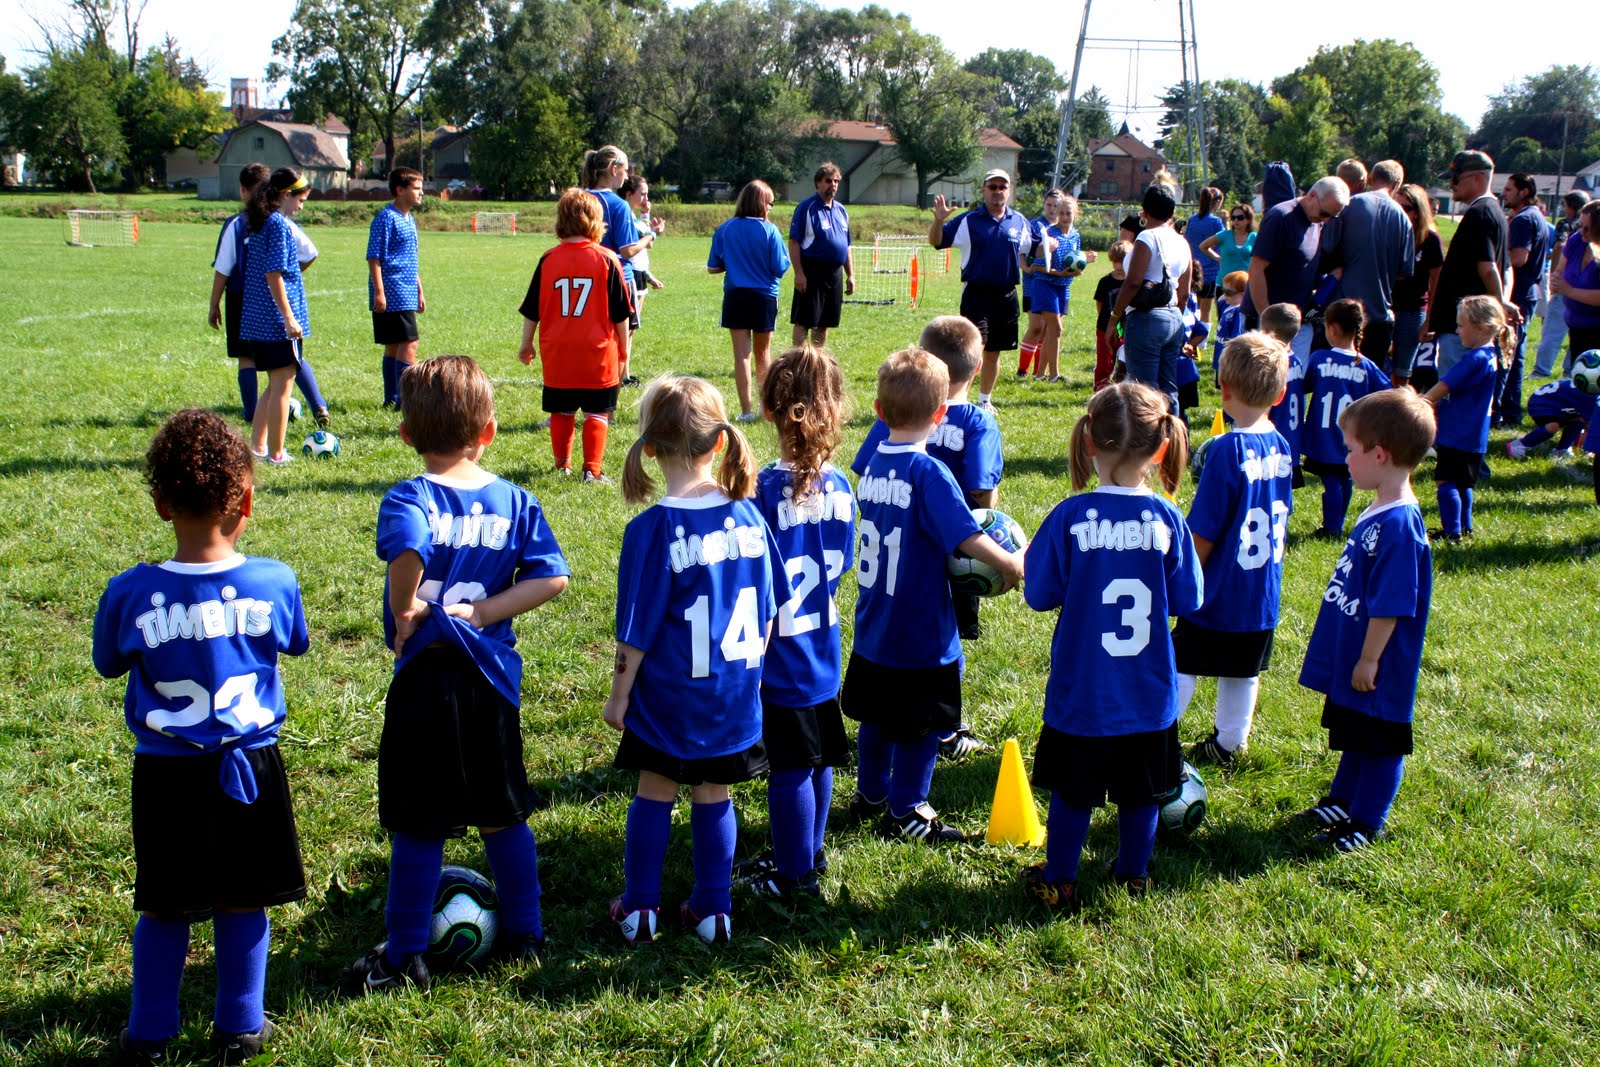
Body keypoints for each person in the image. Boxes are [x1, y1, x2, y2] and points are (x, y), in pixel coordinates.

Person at [349, 356, 570, 992]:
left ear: (406, 435)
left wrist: (404, 612)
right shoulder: (515, 500)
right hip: (492, 682)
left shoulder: (409, 495)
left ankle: (404, 958)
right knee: (504, 814)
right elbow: (552, 576)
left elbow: (410, 547)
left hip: (427, 682)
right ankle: (528, 934)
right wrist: (484, 611)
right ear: (490, 431)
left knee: (419, 823)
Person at [93, 409, 308, 1064]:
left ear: (161, 504)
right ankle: (241, 1025)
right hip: (249, 765)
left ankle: (149, 1032)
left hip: (165, 772)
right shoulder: (273, 580)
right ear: (245, 500)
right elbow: (294, 641)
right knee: (244, 898)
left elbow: (107, 661)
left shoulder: (129, 591)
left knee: (163, 906)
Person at [606, 375, 778, 946]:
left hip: (670, 697)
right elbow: (770, 610)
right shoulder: (751, 517)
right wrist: (750, 677)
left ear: (649, 449)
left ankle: (640, 909)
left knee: (654, 790)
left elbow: (635, 633)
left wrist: (619, 696)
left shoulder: (653, 529)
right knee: (714, 795)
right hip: (732, 693)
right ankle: (713, 911)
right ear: (720, 443)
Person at [1021, 382, 1202, 910]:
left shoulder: (1070, 518)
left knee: (1073, 792)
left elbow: (1038, 595)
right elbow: (1188, 598)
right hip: (1148, 693)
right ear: (1161, 448)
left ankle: (1060, 878)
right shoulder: (1169, 519)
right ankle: (1133, 873)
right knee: (1141, 791)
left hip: (1083, 693)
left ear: (1090, 443)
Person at [842, 348, 1024, 843]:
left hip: (875, 625)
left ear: (879, 414)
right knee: (923, 727)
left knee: (877, 718)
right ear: (941, 414)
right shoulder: (929, 474)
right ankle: (908, 810)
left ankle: (871, 795)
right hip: (922, 632)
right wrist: (1010, 562)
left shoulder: (875, 465)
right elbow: (966, 536)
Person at [850, 316, 1002, 752]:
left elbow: (863, 472)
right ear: (976, 370)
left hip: (889, 565)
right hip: (953, 553)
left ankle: (880, 778)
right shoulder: (977, 421)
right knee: (942, 644)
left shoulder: (893, 412)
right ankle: (945, 730)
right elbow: (981, 492)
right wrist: (999, 546)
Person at [1296, 389, 1435, 852]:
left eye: (1351, 448)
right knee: (1357, 729)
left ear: (1379, 454)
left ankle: (1367, 820)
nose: (1346, 457)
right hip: (1359, 651)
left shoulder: (1400, 527)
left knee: (1381, 739)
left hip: (1381, 661)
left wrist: (1370, 660)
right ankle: (1343, 798)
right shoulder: (1380, 506)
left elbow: (1392, 604)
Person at [742, 345, 856, 899]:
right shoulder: (842, 488)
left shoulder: (760, 490)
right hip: (822, 642)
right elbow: (844, 558)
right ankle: (810, 851)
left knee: (790, 765)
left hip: (777, 650)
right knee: (819, 755)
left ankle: (793, 876)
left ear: (770, 409)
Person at [1177, 334, 1294, 766]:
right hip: (1261, 590)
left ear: (1223, 389)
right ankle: (1230, 743)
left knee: (1183, 660)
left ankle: (1155, 732)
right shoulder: (1282, 445)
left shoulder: (1226, 449)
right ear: (1280, 394)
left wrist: (1184, 579)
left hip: (1218, 589)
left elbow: (1205, 530)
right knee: (1243, 669)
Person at [517, 188, 632, 483]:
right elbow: (621, 314)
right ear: (595, 221)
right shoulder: (607, 259)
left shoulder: (548, 259)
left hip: (558, 351)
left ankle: (561, 466)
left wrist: (526, 343)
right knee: (598, 410)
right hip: (597, 351)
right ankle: (592, 470)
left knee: (562, 409)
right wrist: (624, 349)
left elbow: (533, 309)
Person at [209, 162, 330, 428]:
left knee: (252, 360)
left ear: (244, 190)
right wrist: (290, 279)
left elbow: (223, 267)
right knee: (287, 365)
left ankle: (252, 412)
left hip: (244, 299)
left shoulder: (244, 222)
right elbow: (308, 254)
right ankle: (316, 404)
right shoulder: (278, 223)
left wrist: (214, 303)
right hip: (274, 306)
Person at [928, 167, 1044, 410]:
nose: (998, 191)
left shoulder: (1020, 221)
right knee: (973, 351)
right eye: (993, 187)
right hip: (977, 294)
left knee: (993, 353)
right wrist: (938, 220)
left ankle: (984, 401)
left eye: (1003, 187)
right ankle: (958, 402)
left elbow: (1035, 249)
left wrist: (1048, 245)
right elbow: (937, 241)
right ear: (983, 190)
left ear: (1009, 191)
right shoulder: (969, 220)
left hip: (1006, 296)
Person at [239, 167, 313, 465]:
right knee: (284, 384)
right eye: (300, 200)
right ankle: (276, 452)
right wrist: (288, 317)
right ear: (285, 195)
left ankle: (256, 446)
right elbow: (274, 274)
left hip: (259, 318)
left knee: (274, 383)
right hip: (276, 322)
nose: (301, 206)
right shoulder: (279, 226)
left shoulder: (261, 223)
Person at [1424, 296, 1513, 543]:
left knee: (1446, 480)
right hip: (1475, 435)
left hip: (1457, 433)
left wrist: (1422, 401)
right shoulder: (1490, 356)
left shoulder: (1474, 359)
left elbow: (1445, 385)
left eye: (1461, 325)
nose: (1457, 330)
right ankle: (1466, 527)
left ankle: (1452, 533)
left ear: (1481, 328)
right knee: (1465, 483)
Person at [1303, 300, 1392, 538]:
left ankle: (1332, 528)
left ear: (1331, 329)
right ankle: (1338, 522)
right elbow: (1388, 393)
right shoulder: (1367, 366)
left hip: (1323, 434)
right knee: (1345, 476)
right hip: (1354, 436)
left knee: (1331, 480)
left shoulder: (1320, 359)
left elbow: (1304, 385)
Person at [1318, 159, 1413, 373]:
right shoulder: (1404, 219)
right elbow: (1404, 272)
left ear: (1370, 179)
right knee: (1368, 388)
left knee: (1335, 381)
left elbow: (1327, 250)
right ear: (1397, 184)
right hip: (1380, 315)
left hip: (1343, 312)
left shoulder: (1349, 206)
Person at [708, 180, 791, 421]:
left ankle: (746, 411)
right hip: (764, 297)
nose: (772, 208)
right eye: (771, 203)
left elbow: (713, 267)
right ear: (762, 204)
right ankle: (767, 409)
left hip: (735, 296)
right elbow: (779, 268)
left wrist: (734, 263)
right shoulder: (770, 231)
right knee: (763, 355)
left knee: (741, 356)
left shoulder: (726, 228)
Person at [1431, 151, 1517, 378]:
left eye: (1456, 178)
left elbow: (1489, 268)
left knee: (1453, 394)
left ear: (1477, 178)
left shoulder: (1479, 214)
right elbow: (1506, 269)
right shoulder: (1496, 211)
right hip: (1476, 326)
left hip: (1464, 328)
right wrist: (1503, 303)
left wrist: (1499, 307)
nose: (1451, 184)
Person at [1108, 184, 1192, 412]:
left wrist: (1114, 318)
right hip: (1174, 316)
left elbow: (1133, 282)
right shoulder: (1183, 243)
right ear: (1172, 213)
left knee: (1144, 392)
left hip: (1146, 318)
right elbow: (1184, 292)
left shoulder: (1147, 237)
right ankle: (1174, 442)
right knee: (1169, 390)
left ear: (1144, 212)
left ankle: (1147, 443)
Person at [1248, 177, 1350, 358]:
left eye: (1331, 217)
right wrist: (1266, 318)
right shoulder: (1281, 217)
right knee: (1266, 380)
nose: (1326, 221)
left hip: (1300, 321)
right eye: (1324, 213)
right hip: (1271, 321)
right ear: (1311, 196)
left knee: (1295, 381)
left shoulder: (1317, 221)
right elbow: (1257, 268)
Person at [368, 167, 426, 411]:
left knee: (393, 344)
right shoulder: (386, 218)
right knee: (410, 342)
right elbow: (374, 257)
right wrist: (380, 292)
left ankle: (391, 397)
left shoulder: (409, 218)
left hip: (407, 289)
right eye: (416, 188)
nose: (421, 192)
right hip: (393, 290)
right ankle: (404, 399)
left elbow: (409, 258)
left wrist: (419, 289)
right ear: (400, 190)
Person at [1019, 191, 1093, 382]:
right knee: (1056, 328)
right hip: (1045, 285)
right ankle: (1054, 374)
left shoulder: (1075, 235)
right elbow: (1037, 265)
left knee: (1050, 331)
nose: (1064, 217)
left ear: (1075, 214)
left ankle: (1040, 374)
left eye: (1068, 213)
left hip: (1063, 286)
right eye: (1061, 213)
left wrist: (1083, 262)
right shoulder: (1049, 234)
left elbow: (1072, 261)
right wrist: (1046, 252)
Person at [1500, 173, 1552, 427]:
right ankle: (1509, 410)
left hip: (1519, 292)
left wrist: (1497, 252)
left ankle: (1507, 411)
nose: (1505, 193)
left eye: (1509, 189)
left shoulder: (1523, 219)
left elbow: (1519, 258)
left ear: (1523, 191)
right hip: (1527, 291)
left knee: (1510, 352)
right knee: (1514, 352)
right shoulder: (1534, 216)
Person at [788, 162, 855, 349]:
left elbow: (847, 246)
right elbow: (794, 242)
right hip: (812, 272)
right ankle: (798, 359)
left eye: (836, 181)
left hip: (834, 274)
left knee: (825, 321)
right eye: (828, 181)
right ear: (818, 183)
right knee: (804, 320)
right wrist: (799, 273)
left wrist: (851, 275)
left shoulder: (841, 211)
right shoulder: (806, 208)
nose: (832, 185)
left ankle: (818, 361)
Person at [1390, 184, 1444, 389]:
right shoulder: (1390, 233)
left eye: (1407, 208)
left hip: (1413, 309)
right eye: (1397, 207)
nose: (1401, 213)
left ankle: (1400, 413)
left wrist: (1430, 320)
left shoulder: (1430, 239)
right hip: (1386, 307)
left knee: (1402, 370)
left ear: (1419, 210)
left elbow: (1437, 281)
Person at [1533, 190, 1591, 379]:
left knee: (1553, 331)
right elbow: (1564, 250)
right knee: (1571, 334)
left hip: (1569, 291)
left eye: (1565, 205)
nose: (1581, 230)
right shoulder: (1583, 232)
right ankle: (1568, 372)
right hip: (1579, 299)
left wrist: (1561, 281)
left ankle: (1543, 371)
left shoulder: (1566, 225)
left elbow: (1559, 245)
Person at [619, 174, 665, 385]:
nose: (647, 197)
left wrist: (647, 216)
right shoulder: (625, 216)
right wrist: (653, 232)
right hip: (631, 276)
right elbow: (646, 240)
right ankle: (623, 375)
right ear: (629, 194)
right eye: (643, 193)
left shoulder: (632, 217)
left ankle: (624, 373)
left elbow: (646, 241)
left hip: (638, 274)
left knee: (630, 330)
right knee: (627, 330)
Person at [1261, 303, 1306, 488]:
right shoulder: (1296, 361)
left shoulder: (1273, 365)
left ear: (1267, 331)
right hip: (1293, 437)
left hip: (1273, 438)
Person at [1549, 200, 1600, 360]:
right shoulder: (1577, 240)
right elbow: (1559, 271)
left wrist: (1569, 290)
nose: (1582, 231)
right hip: (1576, 324)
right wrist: (1556, 280)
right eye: (1580, 225)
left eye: (1588, 228)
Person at [1507, 378, 1598, 459]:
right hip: (1542, 403)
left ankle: (1562, 449)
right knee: (1553, 426)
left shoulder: (1591, 388)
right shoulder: (1592, 395)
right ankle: (1519, 445)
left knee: (1579, 421)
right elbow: (1591, 425)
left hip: (1562, 405)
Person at [1201, 203, 1257, 318]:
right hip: (1225, 285)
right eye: (1233, 218)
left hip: (1245, 287)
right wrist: (1217, 258)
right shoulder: (1225, 235)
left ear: (1248, 219)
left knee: (1245, 321)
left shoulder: (1254, 237)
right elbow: (1203, 246)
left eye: (1240, 218)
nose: (1236, 221)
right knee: (1224, 319)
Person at [1185, 186, 1227, 322]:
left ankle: (1192, 333)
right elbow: (1225, 239)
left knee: (1194, 306)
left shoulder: (1193, 220)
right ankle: (1202, 340)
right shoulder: (1216, 222)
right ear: (1217, 202)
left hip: (1195, 269)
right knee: (1206, 309)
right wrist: (1226, 222)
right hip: (1210, 270)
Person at [1093, 240, 1131, 391]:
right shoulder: (1105, 282)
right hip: (1104, 328)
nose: (1119, 266)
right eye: (1116, 262)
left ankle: (1121, 391)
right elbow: (1100, 304)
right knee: (1105, 363)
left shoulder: (1132, 282)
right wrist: (1108, 323)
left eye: (1122, 262)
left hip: (1126, 329)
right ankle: (1100, 391)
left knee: (1124, 362)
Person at [1211, 270, 1249, 369]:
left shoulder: (1238, 312)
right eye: (1223, 291)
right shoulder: (1228, 305)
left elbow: (1236, 338)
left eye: (1228, 292)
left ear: (1244, 294)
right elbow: (1219, 301)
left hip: (1229, 360)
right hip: (1221, 353)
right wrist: (1227, 291)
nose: (1225, 295)